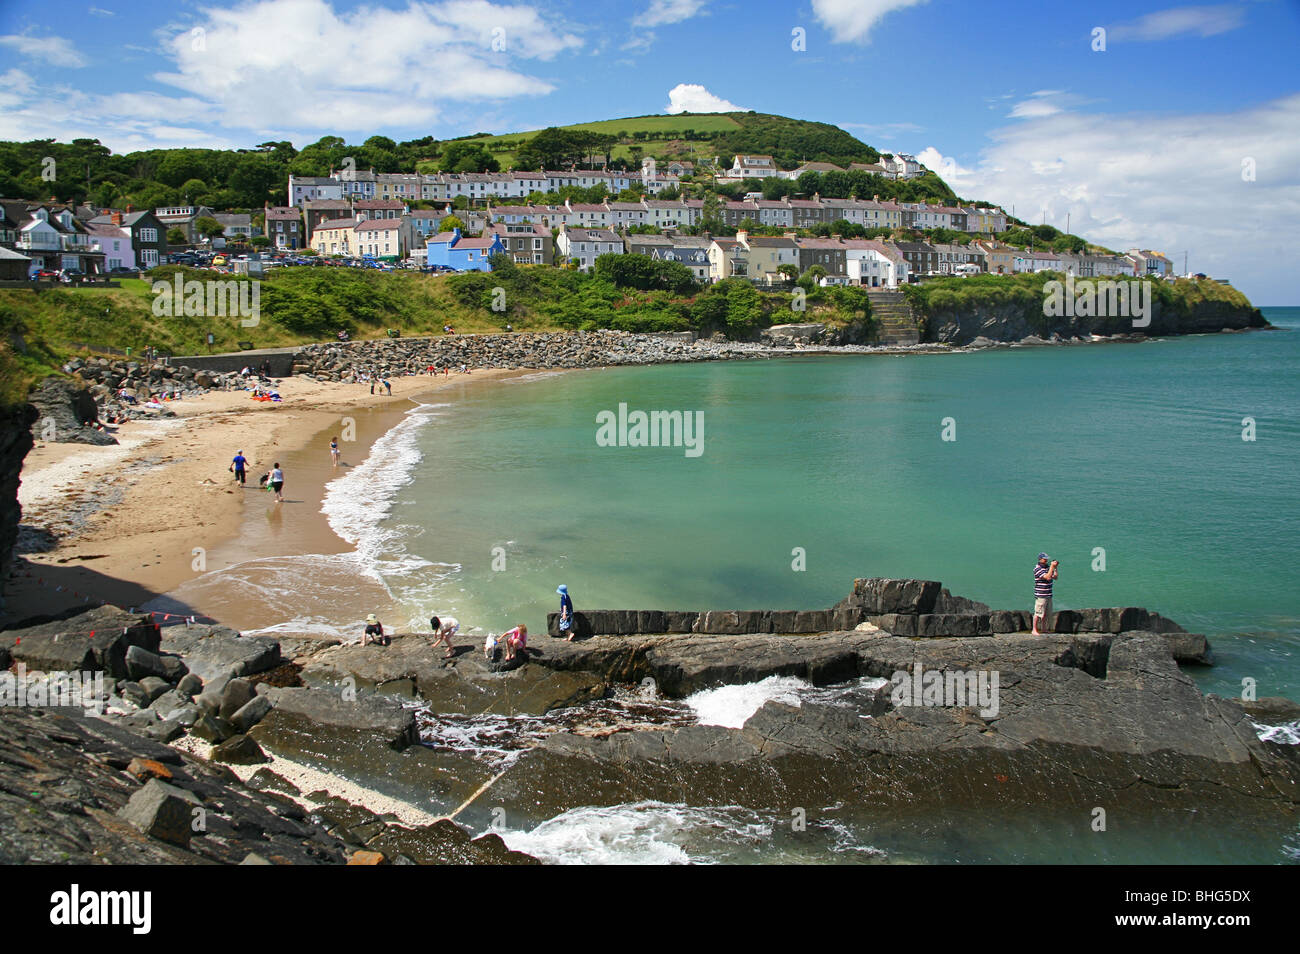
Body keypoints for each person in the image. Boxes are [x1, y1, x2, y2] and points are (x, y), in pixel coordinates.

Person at [1031, 552, 1059, 635]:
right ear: (1040, 559)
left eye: (1046, 558)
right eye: (1044, 558)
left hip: (1048, 593)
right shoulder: (1037, 568)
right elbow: (1047, 577)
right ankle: (1034, 629)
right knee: (1038, 612)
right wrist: (1051, 567)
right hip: (1041, 594)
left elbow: (1055, 577)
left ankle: (1044, 628)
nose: (1046, 560)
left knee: (1046, 613)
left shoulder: (1047, 567)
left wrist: (1055, 568)